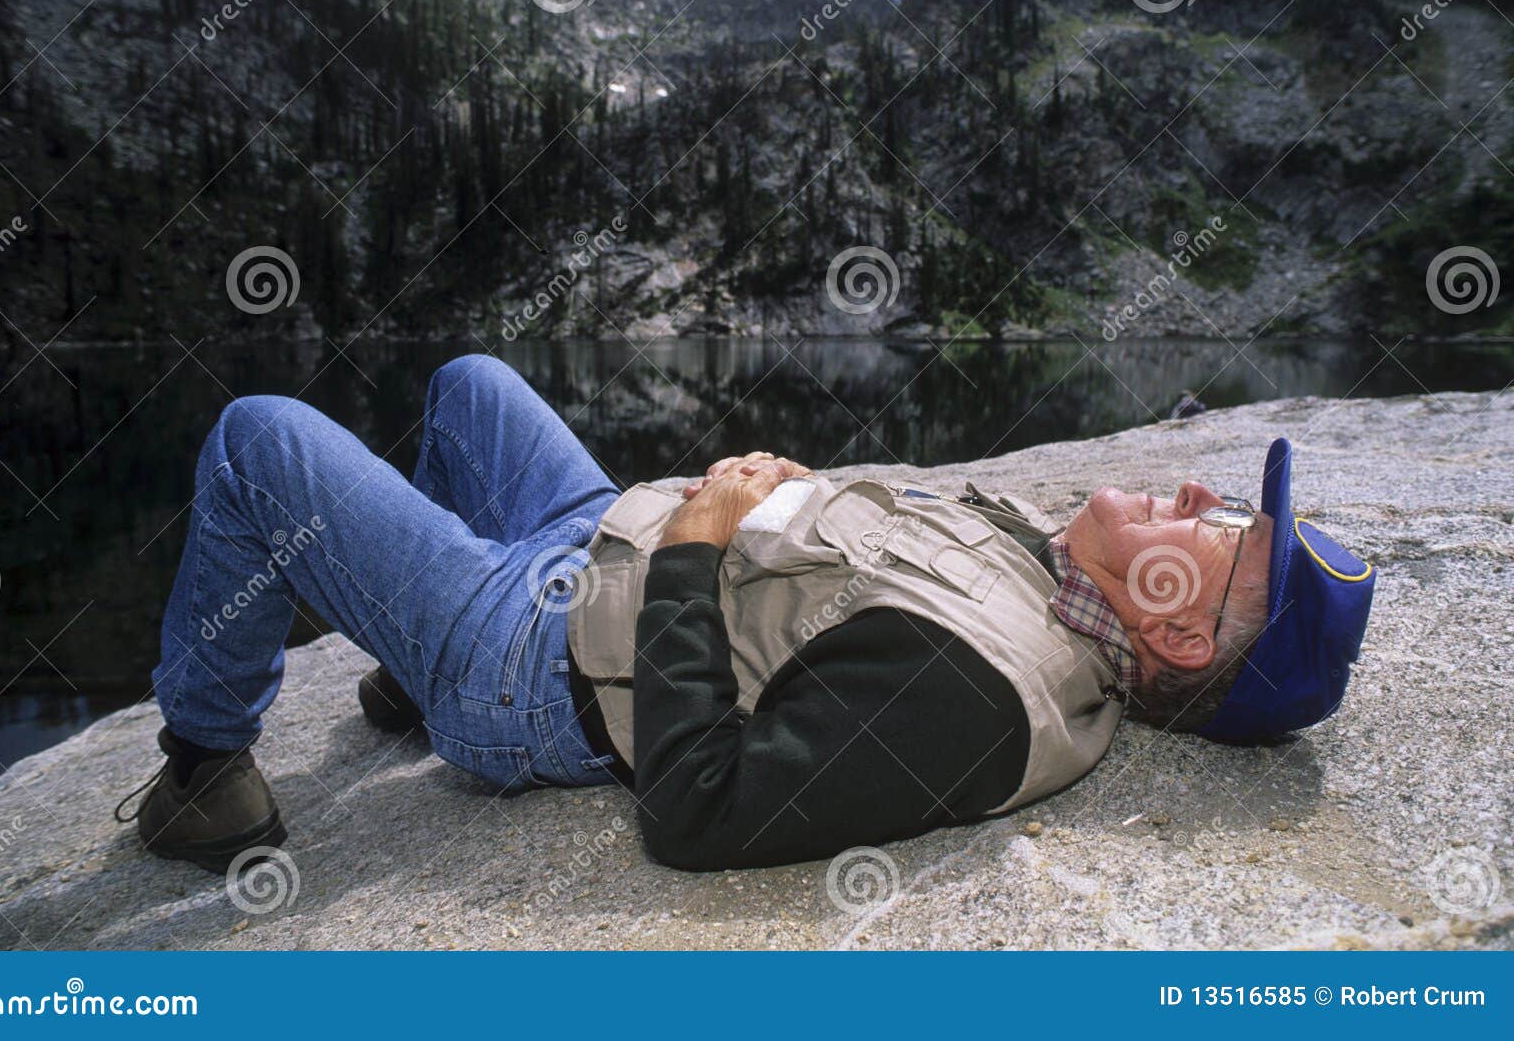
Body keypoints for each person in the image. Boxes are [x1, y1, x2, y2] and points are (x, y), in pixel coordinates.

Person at [117, 356, 1375, 873]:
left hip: (533, 659)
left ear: (1180, 638)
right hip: (598, 534)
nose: (1204, 493)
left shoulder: (985, 696)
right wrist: (760, 498)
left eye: (1224, 537)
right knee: (470, 385)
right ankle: (403, 645)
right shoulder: (1051, 575)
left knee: (257, 439)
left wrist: (704, 539)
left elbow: (700, 806)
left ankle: (204, 769)